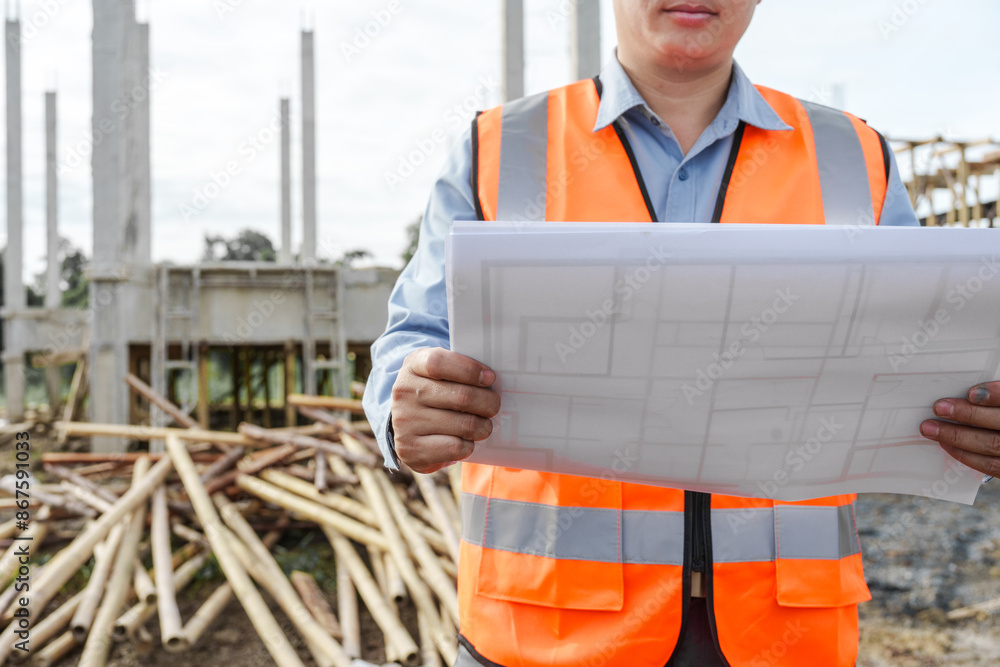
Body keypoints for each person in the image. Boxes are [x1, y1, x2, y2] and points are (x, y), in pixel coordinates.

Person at [363, 1, 1000, 665]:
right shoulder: (502, 147)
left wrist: (983, 413)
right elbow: (412, 342)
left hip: (785, 635)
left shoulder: (852, 156)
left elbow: (935, 357)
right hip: (546, 635)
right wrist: (403, 406)